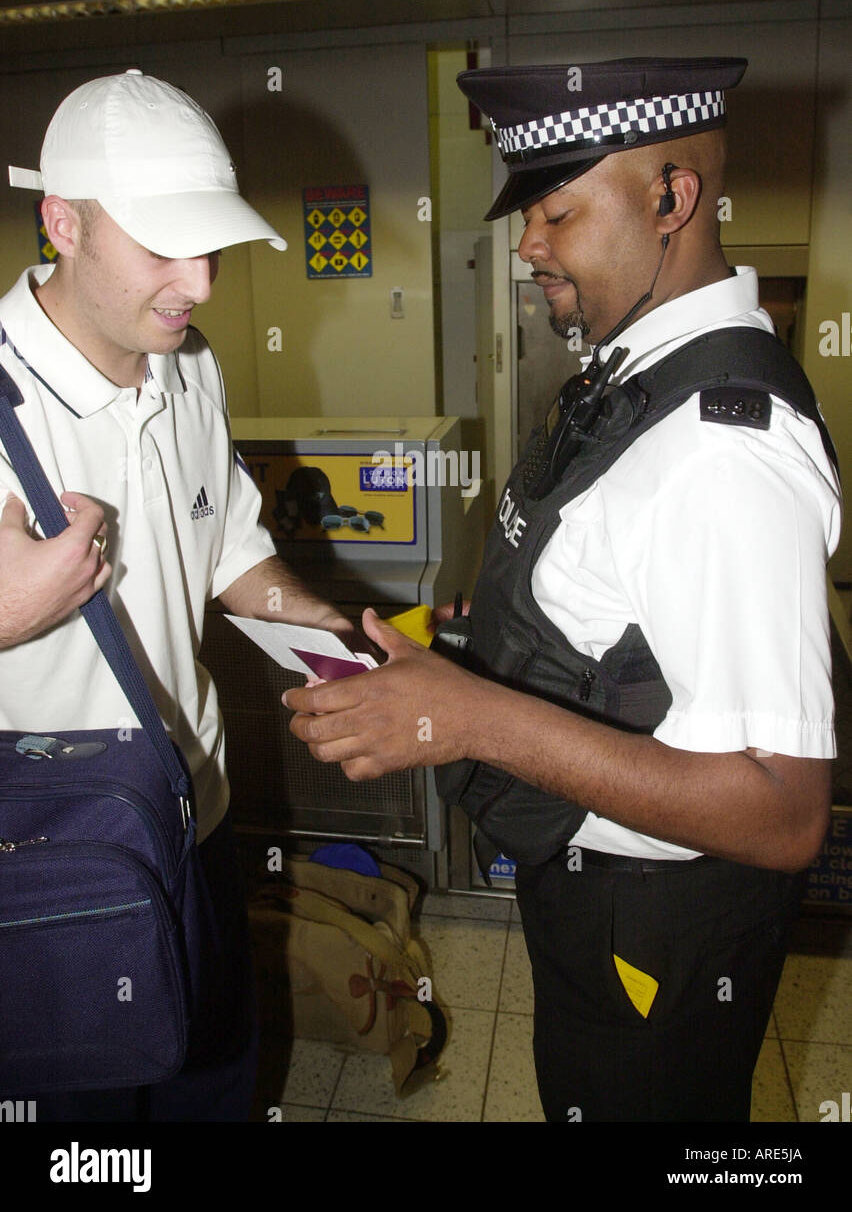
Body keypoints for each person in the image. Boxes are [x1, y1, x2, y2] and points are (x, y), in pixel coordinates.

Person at [285, 57, 842, 1122]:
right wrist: (466, 655)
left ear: (672, 199)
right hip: (594, 907)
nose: (529, 245)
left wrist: (472, 715)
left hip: (660, 934)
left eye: (555, 212)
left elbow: (783, 810)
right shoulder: (639, 373)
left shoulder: (723, 452)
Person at [2, 68, 350, 1121]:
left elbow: (227, 554)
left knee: (212, 1081)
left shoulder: (190, 370)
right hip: (48, 854)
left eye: (210, 245)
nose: (198, 281)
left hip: (194, 821)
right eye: (163, 246)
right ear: (63, 220)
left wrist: (338, 633)